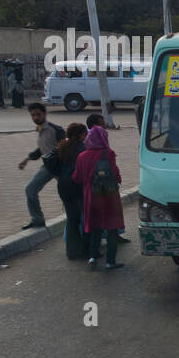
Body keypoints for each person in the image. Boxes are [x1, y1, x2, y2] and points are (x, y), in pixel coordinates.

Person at [72, 125, 125, 270]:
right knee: (112, 229)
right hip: (109, 197)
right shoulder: (108, 153)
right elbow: (115, 174)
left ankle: (92, 257)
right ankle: (110, 261)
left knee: (96, 228)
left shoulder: (82, 156)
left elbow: (76, 178)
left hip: (91, 197)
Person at [19, 102, 65, 230]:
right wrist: (27, 159)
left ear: (44, 114)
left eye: (38, 114)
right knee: (30, 189)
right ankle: (37, 219)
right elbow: (41, 149)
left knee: (67, 194)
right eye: (33, 115)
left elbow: (66, 148)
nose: (35, 118)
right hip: (47, 166)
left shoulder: (56, 130)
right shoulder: (39, 129)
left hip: (60, 168)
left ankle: (75, 219)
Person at [85, 113, 128, 243]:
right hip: (108, 189)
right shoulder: (107, 153)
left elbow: (79, 175)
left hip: (91, 191)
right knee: (111, 217)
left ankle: (93, 253)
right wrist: (118, 180)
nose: (104, 127)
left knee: (95, 220)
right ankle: (111, 252)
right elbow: (114, 171)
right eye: (102, 124)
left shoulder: (84, 153)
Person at [54, 123, 89, 260]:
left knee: (72, 220)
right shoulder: (81, 148)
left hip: (63, 186)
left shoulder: (61, 146)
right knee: (85, 218)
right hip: (77, 186)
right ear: (79, 134)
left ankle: (72, 251)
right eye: (84, 133)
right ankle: (85, 249)